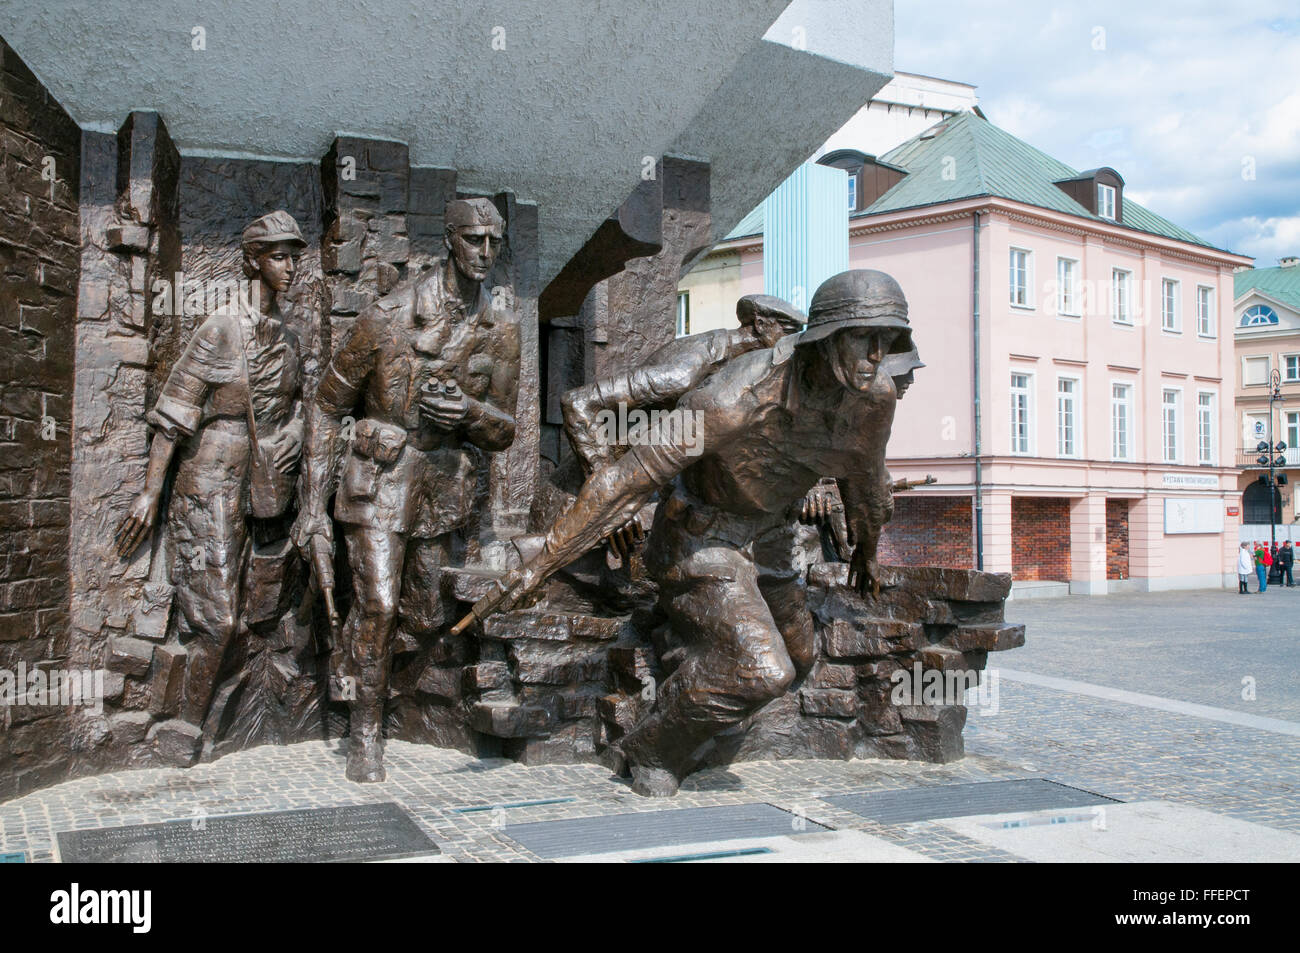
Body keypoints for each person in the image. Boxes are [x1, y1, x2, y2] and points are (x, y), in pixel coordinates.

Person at [458, 268, 911, 796]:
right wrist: (539, 567)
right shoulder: (730, 398)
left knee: (802, 655)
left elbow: (866, 476)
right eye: (866, 337)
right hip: (702, 537)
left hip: (772, 536)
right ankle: (652, 749)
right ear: (827, 337)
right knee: (764, 670)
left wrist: (868, 552)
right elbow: (626, 480)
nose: (879, 354)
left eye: (890, 339)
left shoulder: (874, 398)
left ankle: (688, 651)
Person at [294, 197, 520, 783]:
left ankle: (361, 668)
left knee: (421, 615)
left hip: (441, 489)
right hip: (379, 479)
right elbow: (325, 404)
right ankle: (365, 735)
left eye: (494, 242)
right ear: (450, 239)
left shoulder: (502, 330)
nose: (486, 253)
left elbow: (505, 430)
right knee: (379, 604)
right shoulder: (386, 318)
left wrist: (469, 412)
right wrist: (312, 506)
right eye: (475, 240)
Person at [115, 211, 307, 730]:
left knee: (248, 614)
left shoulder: (290, 339)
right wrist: (151, 495)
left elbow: (299, 407)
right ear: (253, 260)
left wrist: (293, 433)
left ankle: (203, 719)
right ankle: (183, 726)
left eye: (294, 256)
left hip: (262, 489)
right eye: (279, 256)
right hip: (208, 483)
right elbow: (173, 416)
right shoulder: (220, 328)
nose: (290, 267)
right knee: (218, 618)